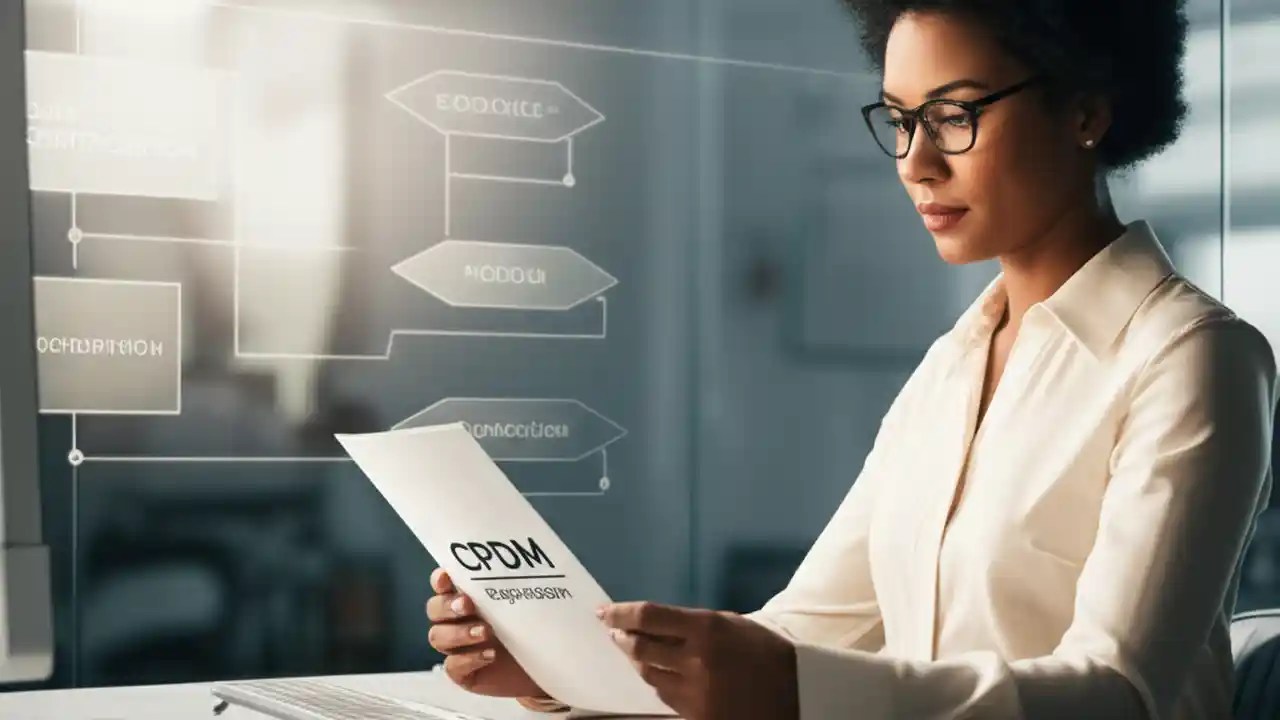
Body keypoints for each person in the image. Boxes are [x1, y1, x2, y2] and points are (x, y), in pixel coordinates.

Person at [425, 1, 1278, 717]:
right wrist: (561, 671)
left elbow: (1120, 693)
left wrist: (792, 686)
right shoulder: (952, 366)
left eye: (955, 115)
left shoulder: (1193, 359)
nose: (917, 162)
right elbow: (802, 630)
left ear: (1087, 112)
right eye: (902, 121)